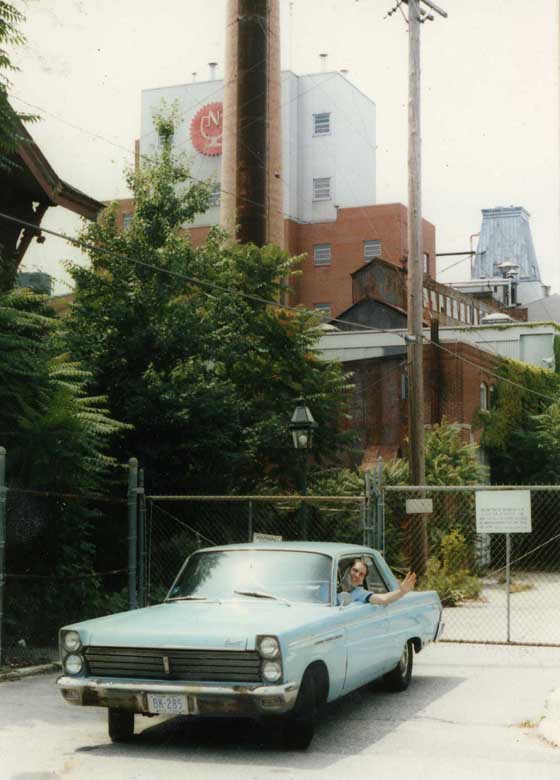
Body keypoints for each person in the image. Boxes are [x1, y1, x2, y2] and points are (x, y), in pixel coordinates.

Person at [338, 558, 416, 606]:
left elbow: (383, 599)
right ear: (348, 570)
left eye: (361, 574)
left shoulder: (359, 593)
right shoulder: (328, 585)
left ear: (362, 580)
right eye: (355, 570)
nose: (357, 575)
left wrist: (401, 592)